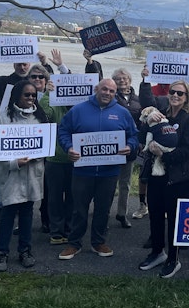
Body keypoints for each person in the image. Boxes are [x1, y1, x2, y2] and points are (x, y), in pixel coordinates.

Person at [56, 79, 138, 260]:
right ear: (97, 89)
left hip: (109, 172)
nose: (107, 93)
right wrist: (69, 147)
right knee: (79, 210)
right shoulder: (78, 110)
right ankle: (74, 243)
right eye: (104, 89)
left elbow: (133, 135)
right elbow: (63, 131)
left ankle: (98, 242)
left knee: (103, 209)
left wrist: (130, 147)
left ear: (115, 93)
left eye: (111, 91)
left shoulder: (122, 113)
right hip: (82, 171)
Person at [137, 76, 189, 279]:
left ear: (186, 97)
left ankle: (174, 258)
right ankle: (157, 252)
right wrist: (148, 122)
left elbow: (188, 151)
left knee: (174, 220)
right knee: (155, 214)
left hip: (177, 178)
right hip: (156, 175)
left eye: (179, 93)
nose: (174, 95)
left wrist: (163, 155)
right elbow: (143, 136)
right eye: (172, 92)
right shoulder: (161, 115)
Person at [0, 80, 48, 272]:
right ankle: (2, 252)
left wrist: (37, 155)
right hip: (11, 174)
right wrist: (15, 163)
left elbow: (45, 146)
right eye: (27, 95)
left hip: (32, 174)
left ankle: (25, 250)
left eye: (33, 95)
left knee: (27, 213)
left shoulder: (40, 117)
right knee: (8, 214)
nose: (31, 98)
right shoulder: (3, 118)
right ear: (17, 96)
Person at [30, 64, 72, 245]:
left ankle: (69, 228)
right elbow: (43, 116)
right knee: (54, 197)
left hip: (74, 158)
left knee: (73, 197)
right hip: (54, 157)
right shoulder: (53, 103)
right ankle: (56, 231)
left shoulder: (80, 107)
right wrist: (48, 94)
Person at [111, 68, 143, 227]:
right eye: (118, 79)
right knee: (109, 183)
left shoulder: (138, 99)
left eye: (124, 78)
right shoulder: (110, 98)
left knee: (126, 183)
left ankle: (121, 214)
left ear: (130, 80)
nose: (121, 81)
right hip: (112, 146)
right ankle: (102, 212)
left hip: (130, 146)